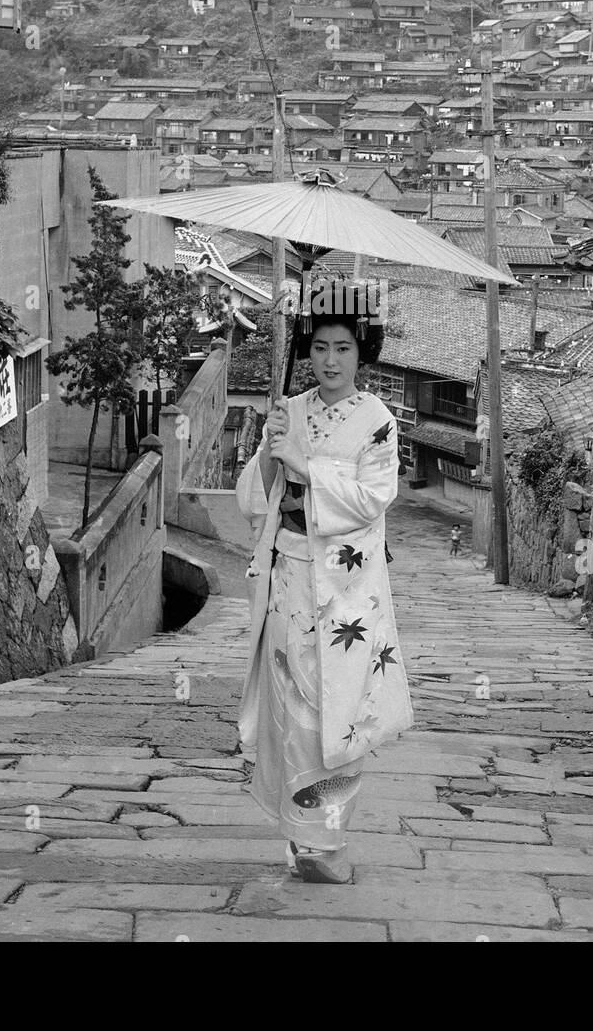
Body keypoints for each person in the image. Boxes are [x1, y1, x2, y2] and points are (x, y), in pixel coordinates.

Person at [235, 304, 413, 884]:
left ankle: (326, 842)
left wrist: (309, 470)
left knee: (333, 708)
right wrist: (271, 449)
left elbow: (373, 497)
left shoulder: (378, 420)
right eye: (318, 349)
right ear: (305, 354)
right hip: (290, 577)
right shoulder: (292, 411)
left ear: (363, 355)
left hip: (344, 591)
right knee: (290, 703)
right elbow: (259, 498)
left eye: (342, 348)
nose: (330, 360)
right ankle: (299, 835)